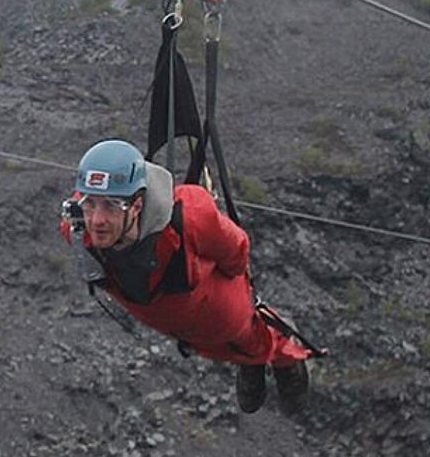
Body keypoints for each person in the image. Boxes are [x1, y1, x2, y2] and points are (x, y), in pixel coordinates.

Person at [60, 139, 312, 414]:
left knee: (248, 336)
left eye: (110, 206)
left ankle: (286, 359)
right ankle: (251, 361)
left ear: (137, 205)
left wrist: (235, 285)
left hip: (214, 304)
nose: (96, 220)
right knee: (216, 347)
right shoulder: (77, 228)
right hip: (171, 321)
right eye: (90, 204)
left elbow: (236, 251)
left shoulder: (190, 217)